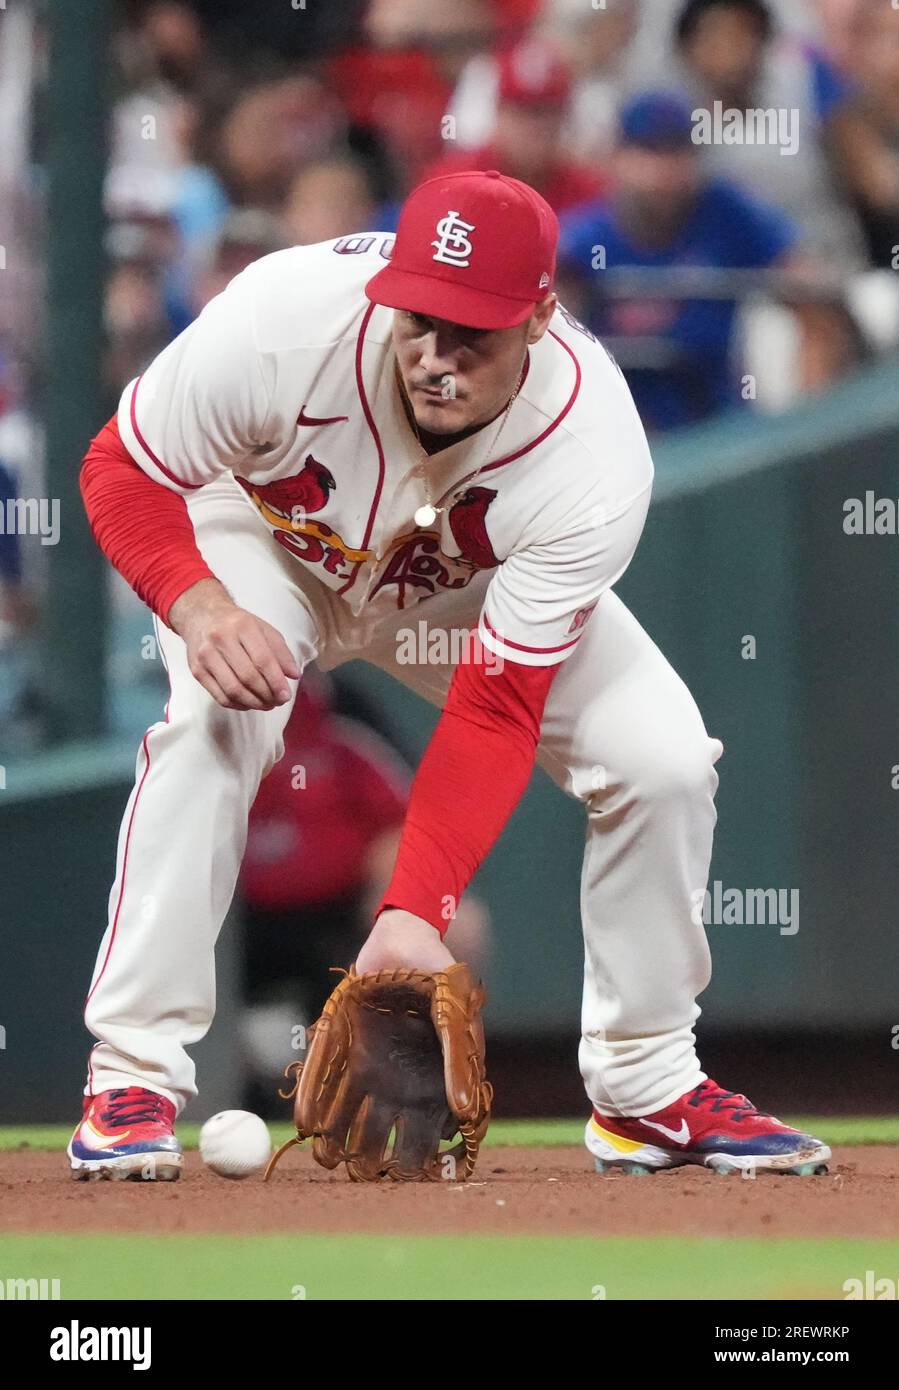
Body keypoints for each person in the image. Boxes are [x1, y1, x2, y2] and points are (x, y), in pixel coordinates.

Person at [71, 169, 830, 1181]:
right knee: (219, 717)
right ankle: (133, 1077)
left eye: (471, 331)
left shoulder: (590, 449)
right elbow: (122, 466)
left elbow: (496, 706)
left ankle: (644, 1085)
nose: (434, 357)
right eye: (420, 320)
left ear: (540, 316)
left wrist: (410, 909)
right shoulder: (281, 320)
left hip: (452, 590)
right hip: (267, 545)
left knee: (661, 760)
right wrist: (199, 605)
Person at [558, 92, 851, 430]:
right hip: (625, 425)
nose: (663, 172)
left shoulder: (723, 210)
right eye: (649, 153)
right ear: (617, 158)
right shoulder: (584, 239)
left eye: (676, 153)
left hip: (724, 415)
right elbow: (553, 343)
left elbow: (805, 280)